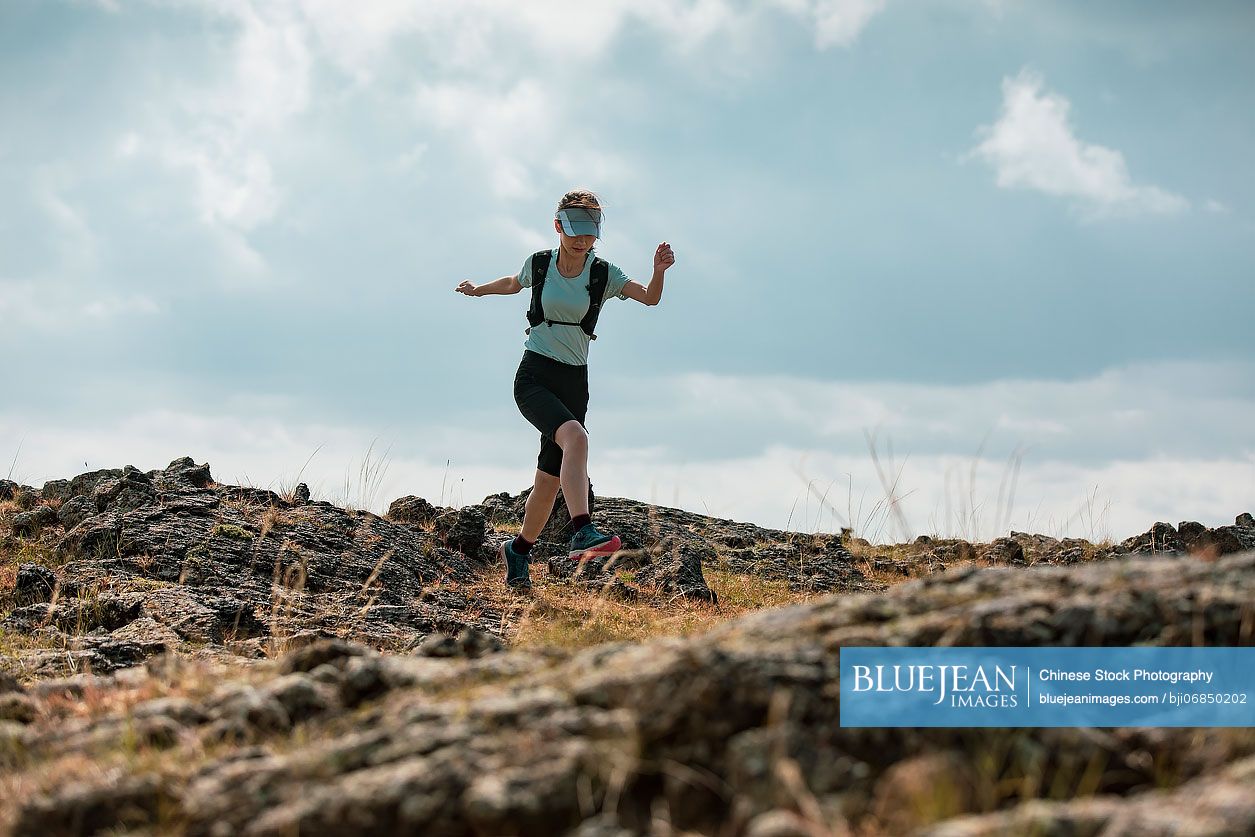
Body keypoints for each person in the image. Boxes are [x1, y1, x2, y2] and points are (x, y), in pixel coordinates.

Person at [455, 189, 675, 589]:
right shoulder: (540, 264)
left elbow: (650, 298)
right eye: (575, 229)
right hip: (535, 375)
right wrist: (478, 289)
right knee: (576, 438)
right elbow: (513, 282)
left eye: (590, 231)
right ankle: (583, 531)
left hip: (575, 381)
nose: (582, 239)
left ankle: (518, 550)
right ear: (558, 226)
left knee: (548, 481)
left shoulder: (602, 273)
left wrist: (658, 269)